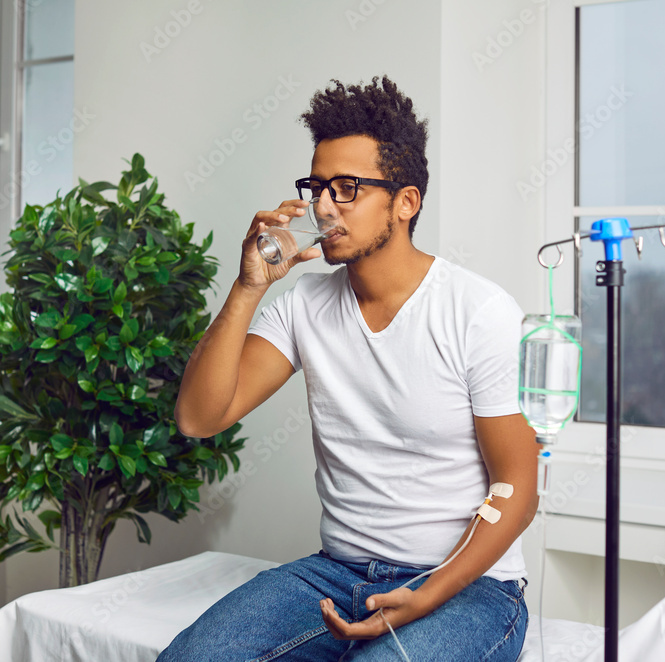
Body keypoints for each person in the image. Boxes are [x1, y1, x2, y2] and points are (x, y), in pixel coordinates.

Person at [161, 76, 538, 661]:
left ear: (405, 202)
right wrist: (247, 286)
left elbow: (516, 486)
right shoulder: (302, 306)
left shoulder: (478, 311)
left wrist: (428, 593)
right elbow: (197, 417)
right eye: (317, 187)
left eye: (347, 188)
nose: (322, 206)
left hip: (469, 587)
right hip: (337, 574)